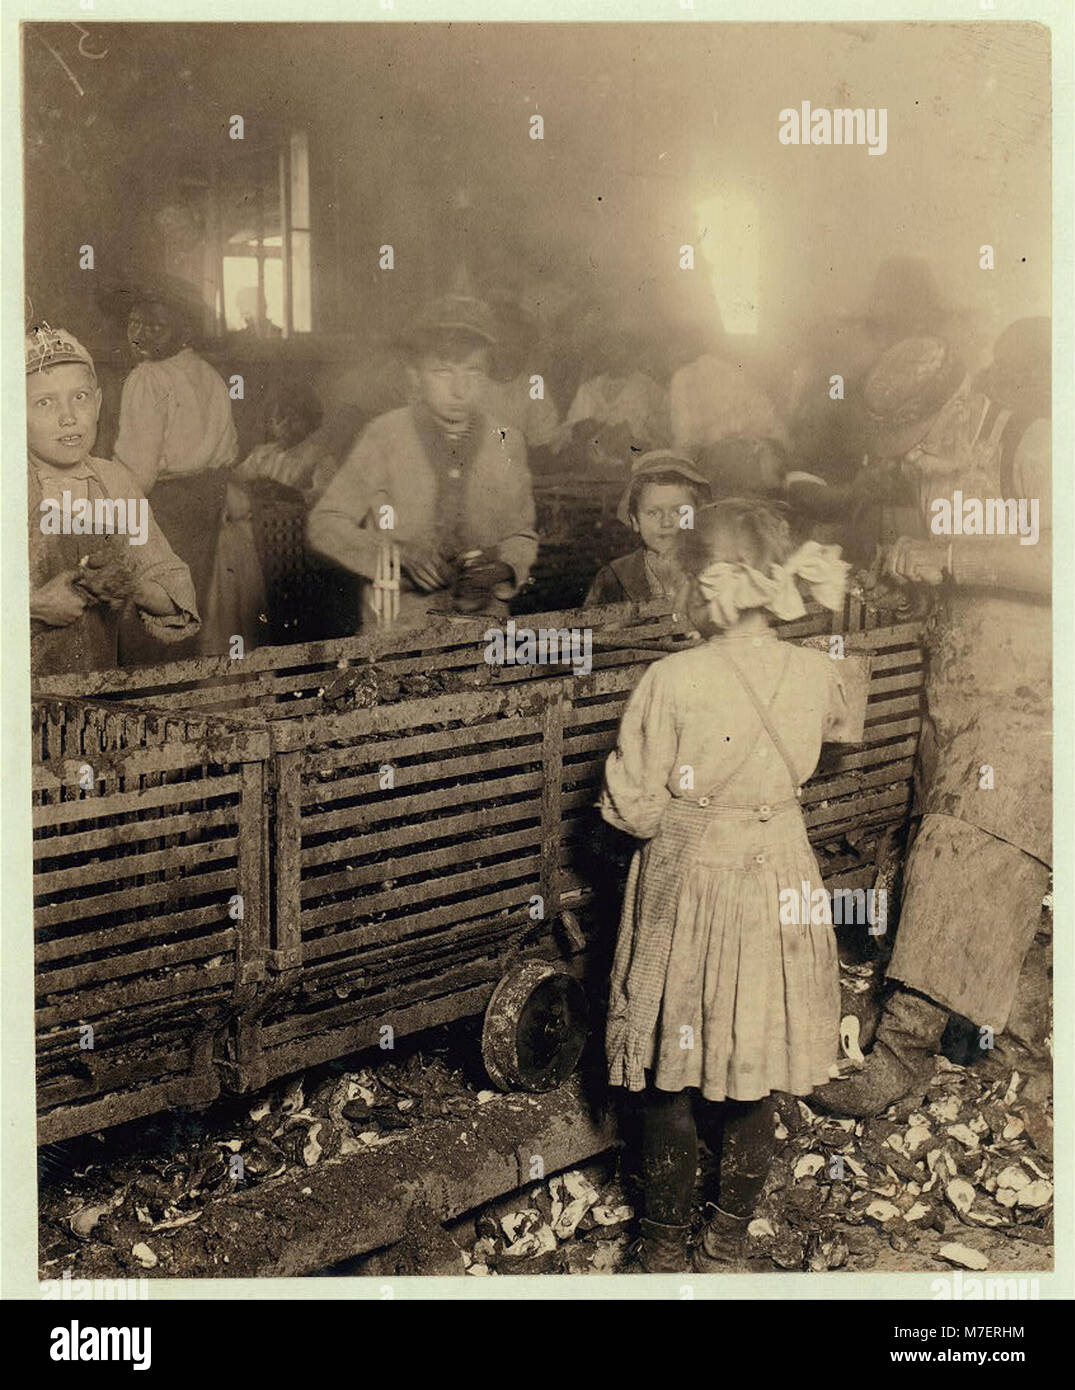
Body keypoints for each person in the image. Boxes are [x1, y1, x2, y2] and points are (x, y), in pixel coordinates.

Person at [599, 498, 857, 1272]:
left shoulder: (672, 677)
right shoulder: (818, 671)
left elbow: (633, 809)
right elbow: (839, 744)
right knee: (757, 1067)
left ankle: (662, 1252)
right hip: (782, 870)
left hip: (695, 879)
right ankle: (726, 1247)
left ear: (706, 582)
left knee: (667, 1075)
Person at [811, 333, 1051, 1118]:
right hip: (955, 685)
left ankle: (901, 1055)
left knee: (970, 847)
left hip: (1035, 697)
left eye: (916, 449)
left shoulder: (1033, 437)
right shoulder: (932, 468)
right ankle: (974, 1021)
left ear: (960, 407)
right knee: (929, 849)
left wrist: (947, 559)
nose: (908, 465)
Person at [307, 288, 537, 630]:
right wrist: (396, 555)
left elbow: (521, 535)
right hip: (397, 630)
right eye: (443, 372)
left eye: (473, 372)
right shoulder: (384, 436)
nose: (460, 390)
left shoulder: (505, 441)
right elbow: (325, 524)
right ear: (415, 375)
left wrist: (502, 569)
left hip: (481, 631)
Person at [26, 325, 199, 676]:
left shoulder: (115, 482)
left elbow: (175, 601)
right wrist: (33, 606)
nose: (68, 417)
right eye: (44, 402)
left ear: (99, 401)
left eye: (80, 397)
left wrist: (130, 582)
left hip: (93, 701)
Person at [107, 276, 238, 659]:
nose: (141, 335)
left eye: (156, 326)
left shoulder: (147, 378)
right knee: (188, 608)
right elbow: (229, 448)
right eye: (134, 323)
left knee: (151, 615)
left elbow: (137, 475)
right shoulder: (209, 375)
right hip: (208, 503)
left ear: (185, 331)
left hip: (164, 508)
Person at [201, 384, 336, 655]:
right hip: (259, 536)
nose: (281, 426)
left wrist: (289, 493)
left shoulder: (319, 457)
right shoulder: (263, 453)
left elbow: (326, 498)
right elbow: (236, 481)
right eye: (275, 419)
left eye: (290, 418)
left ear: (309, 420)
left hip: (291, 546)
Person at [584, 451, 710, 606]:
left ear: (698, 517)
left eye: (679, 511)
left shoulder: (712, 568)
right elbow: (592, 629)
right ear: (635, 521)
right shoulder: (614, 577)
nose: (666, 522)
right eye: (653, 512)